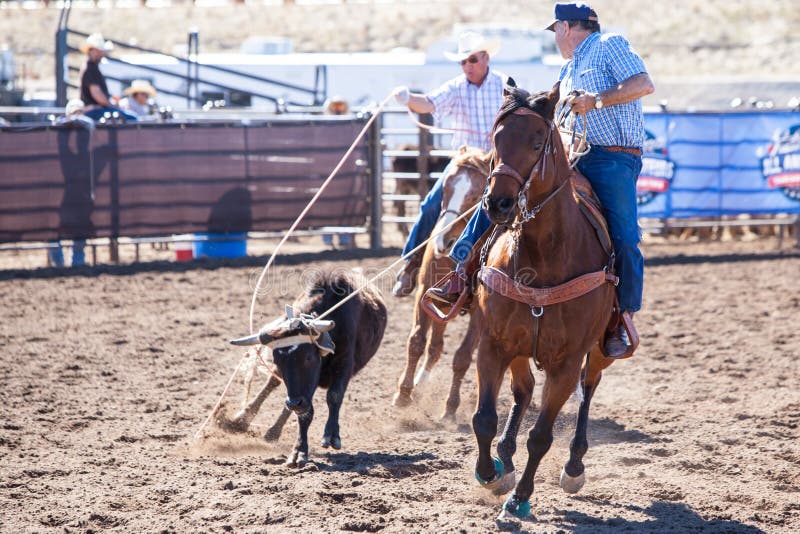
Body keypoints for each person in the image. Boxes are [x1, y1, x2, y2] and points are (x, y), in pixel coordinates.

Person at [430, 2, 655, 358]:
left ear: (565, 27)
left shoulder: (610, 44)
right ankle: (461, 270)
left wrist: (595, 101)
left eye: (556, 31)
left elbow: (644, 84)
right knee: (504, 190)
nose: (556, 39)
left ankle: (621, 316)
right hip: (576, 153)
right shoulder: (569, 69)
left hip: (613, 158)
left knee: (625, 235)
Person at [391, 31, 505, 297]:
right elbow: (428, 103)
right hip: (464, 164)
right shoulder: (456, 87)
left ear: (486, 58)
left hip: (495, 165)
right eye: (463, 62)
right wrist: (408, 99)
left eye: (473, 60)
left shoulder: (503, 85)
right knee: (431, 204)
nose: (468, 66)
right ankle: (410, 263)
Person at [78, 33, 137, 122]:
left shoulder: (91, 67)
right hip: (95, 110)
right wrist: (110, 104)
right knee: (132, 118)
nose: (102, 54)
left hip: (96, 109)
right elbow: (96, 94)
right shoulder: (90, 69)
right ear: (92, 51)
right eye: (99, 51)